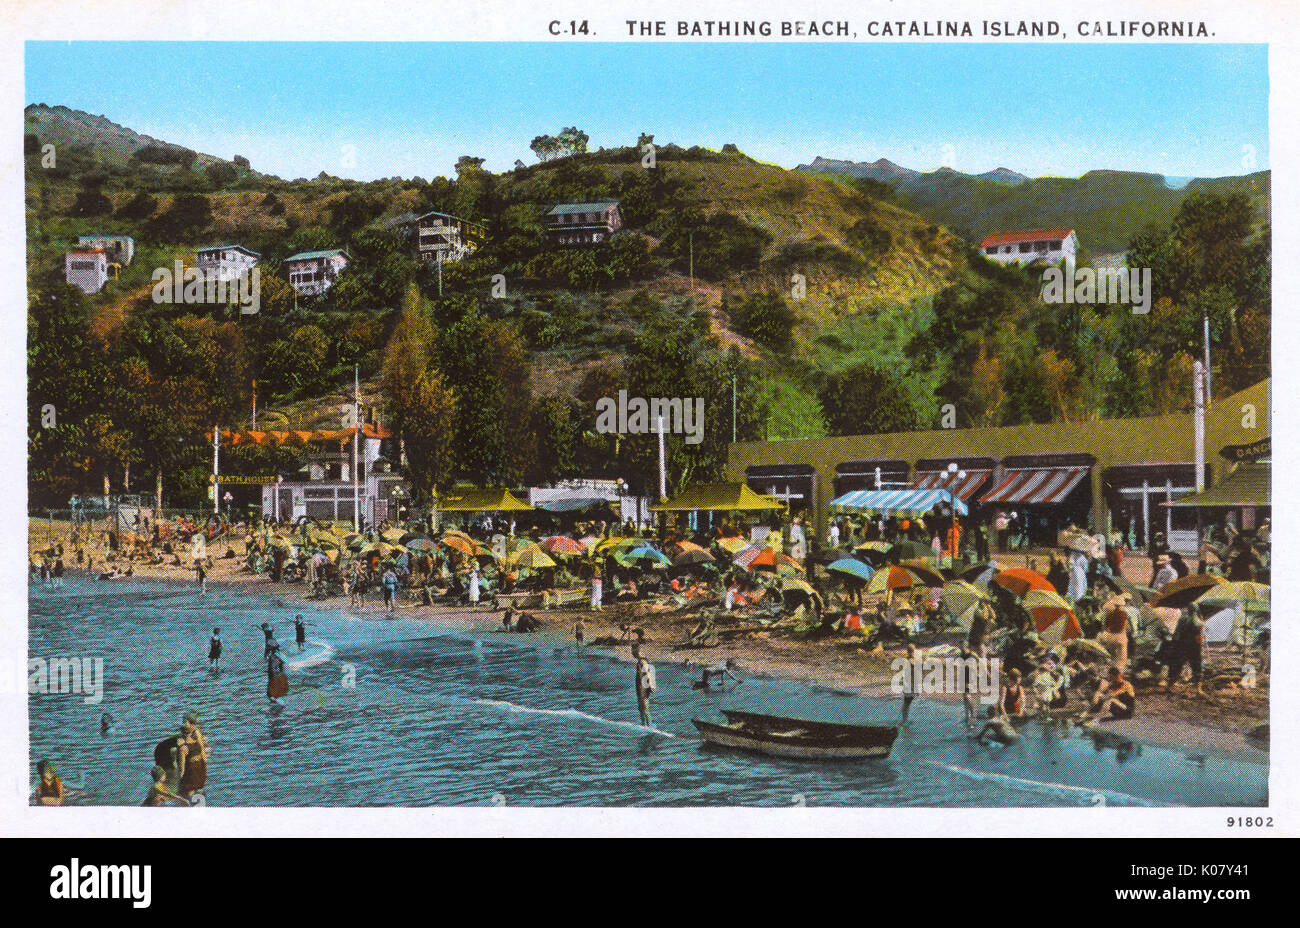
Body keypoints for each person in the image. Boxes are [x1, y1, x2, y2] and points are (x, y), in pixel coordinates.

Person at [1165, 607, 1205, 692]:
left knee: (1176, 665)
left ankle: (1170, 685)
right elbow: (1199, 637)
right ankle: (1198, 688)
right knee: (1196, 666)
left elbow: (1176, 634)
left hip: (1181, 645)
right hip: (1193, 646)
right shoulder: (1198, 620)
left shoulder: (1182, 619)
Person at [175, 711, 208, 800]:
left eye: (185, 721)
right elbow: (202, 751)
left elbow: (182, 767)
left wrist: (180, 780)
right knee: (199, 795)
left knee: (190, 796)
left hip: (192, 770)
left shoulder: (182, 743)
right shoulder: (195, 734)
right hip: (198, 769)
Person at [635, 650, 656, 727]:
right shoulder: (639, 662)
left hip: (644, 687)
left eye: (633, 651)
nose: (632, 653)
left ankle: (649, 725)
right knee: (641, 707)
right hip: (640, 686)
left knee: (644, 707)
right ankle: (644, 724)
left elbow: (647, 673)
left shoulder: (642, 662)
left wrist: (650, 686)